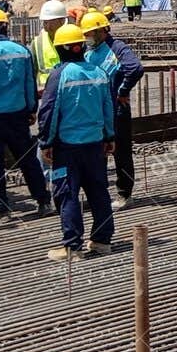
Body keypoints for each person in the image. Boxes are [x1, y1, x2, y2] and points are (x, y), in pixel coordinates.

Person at [37, 23, 115, 261]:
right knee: (98, 191)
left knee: (67, 194)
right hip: (95, 144)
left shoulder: (60, 75)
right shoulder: (98, 73)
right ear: (81, 46)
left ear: (60, 49)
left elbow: (49, 111)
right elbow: (107, 108)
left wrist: (45, 142)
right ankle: (102, 241)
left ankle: (72, 246)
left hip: (66, 147)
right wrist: (110, 136)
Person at [0, 6, 51, 222]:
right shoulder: (23, 51)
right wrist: (32, 109)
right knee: (28, 160)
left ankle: (1, 210)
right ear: (6, 26)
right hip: (18, 115)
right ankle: (43, 201)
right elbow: (29, 83)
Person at [82, 10, 144, 208]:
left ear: (102, 31)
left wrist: (122, 90)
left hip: (116, 110)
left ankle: (124, 194)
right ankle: (97, 194)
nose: (87, 37)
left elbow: (135, 68)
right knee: (95, 152)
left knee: (121, 152)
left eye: (90, 33)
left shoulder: (117, 48)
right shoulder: (88, 52)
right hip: (95, 111)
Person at [32, 0, 69, 89]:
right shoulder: (37, 42)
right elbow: (32, 72)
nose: (47, 26)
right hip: (46, 92)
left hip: (68, 90)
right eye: (45, 22)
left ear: (62, 21)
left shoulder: (72, 38)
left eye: (51, 22)